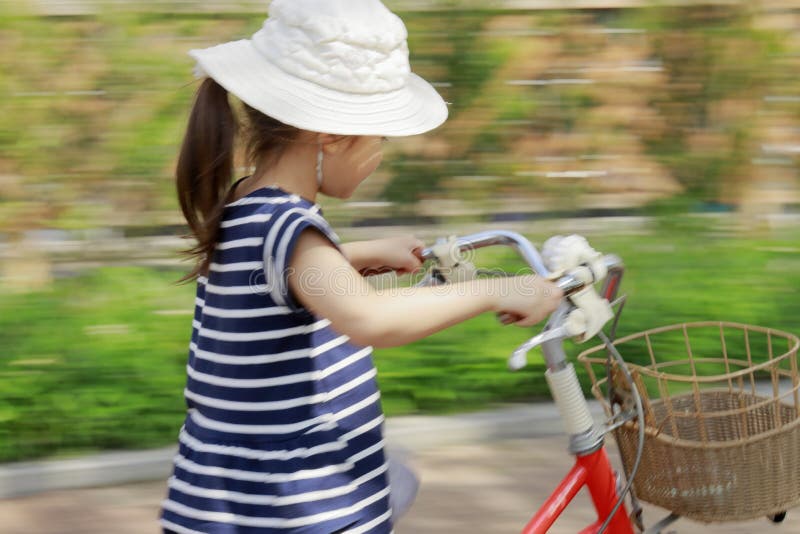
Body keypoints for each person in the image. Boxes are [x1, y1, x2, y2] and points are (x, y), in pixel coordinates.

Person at [160, 1, 562, 532]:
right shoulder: (290, 225)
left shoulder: (245, 205)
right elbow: (368, 319)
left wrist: (361, 254)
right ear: (329, 134)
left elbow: (261, 282)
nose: (381, 154)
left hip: (219, 496)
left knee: (398, 481)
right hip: (292, 507)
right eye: (381, 136)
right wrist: (498, 291)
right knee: (393, 483)